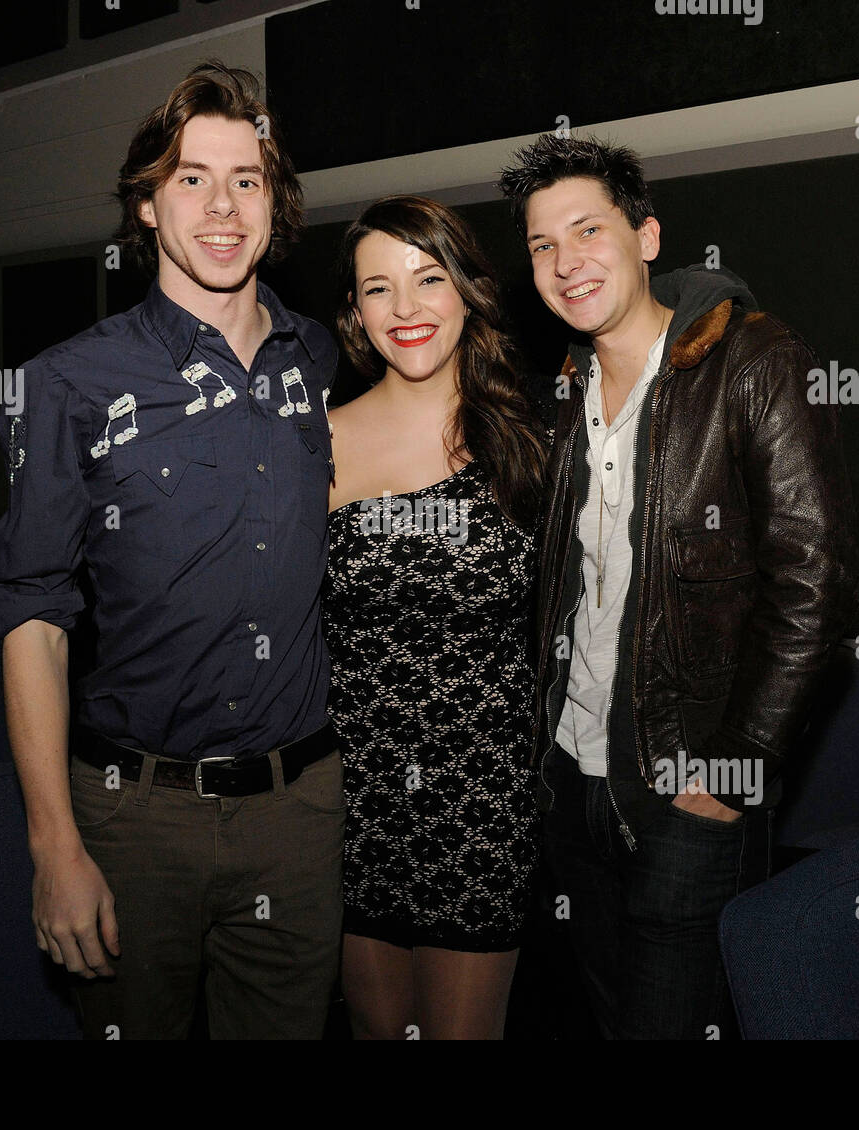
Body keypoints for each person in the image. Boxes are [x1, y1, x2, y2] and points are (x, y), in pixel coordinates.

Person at [0, 61, 343, 1040]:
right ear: (145, 205)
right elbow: (33, 616)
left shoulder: (319, 358)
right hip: (132, 816)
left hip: (298, 816)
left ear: (276, 203)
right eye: (190, 178)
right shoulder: (68, 384)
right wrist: (54, 840)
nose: (222, 206)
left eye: (246, 179)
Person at [497, 134, 859, 1039]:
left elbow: (818, 584)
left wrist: (734, 769)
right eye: (543, 245)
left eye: (588, 230)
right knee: (599, 1013)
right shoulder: (559, 392)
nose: (565, 261)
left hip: (687, 789)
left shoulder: (753, 359)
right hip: (570, 780)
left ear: (647, 237)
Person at [322, 195, 549, 1039]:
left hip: (483, 800)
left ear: (469, 290)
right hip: (350, 799)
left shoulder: (530, 441)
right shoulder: (317, 442)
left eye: (429, 278)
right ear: (354, 312)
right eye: (379, 289)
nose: (407, 309)